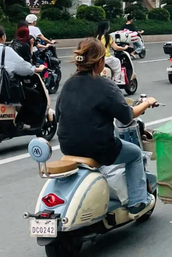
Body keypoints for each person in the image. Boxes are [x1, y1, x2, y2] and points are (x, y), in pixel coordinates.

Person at [56, 38, 157, 219]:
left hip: (68, 147)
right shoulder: (104, 85)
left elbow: (59, 113)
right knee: (134, 154)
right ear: (101, 61)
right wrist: (147, 103)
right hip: (99, 148)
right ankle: (137, 202)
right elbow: (127, 116)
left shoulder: (68, 84)